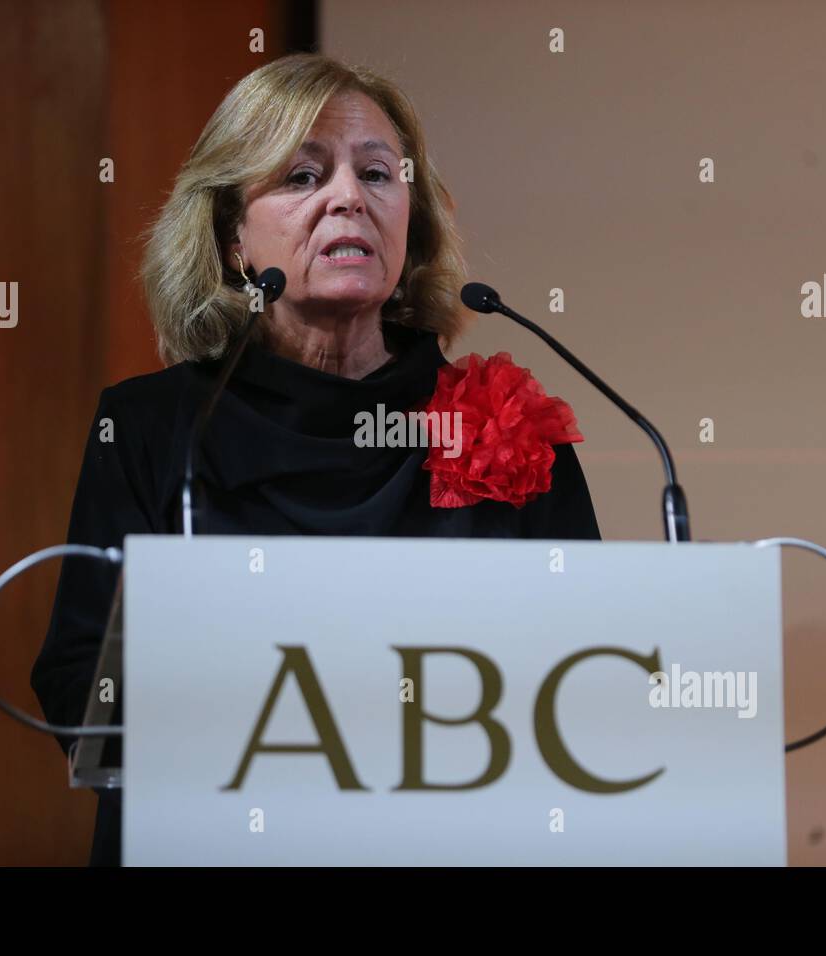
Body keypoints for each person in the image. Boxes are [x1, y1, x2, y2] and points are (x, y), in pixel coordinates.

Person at [30, 53, 599, 866]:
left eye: (378, 173)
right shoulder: (151, 428)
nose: (348, 197)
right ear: (232, 236)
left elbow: (590, 682)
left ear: (412, 221)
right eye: (301, 175)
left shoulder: (512, 425)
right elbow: (79, 681)